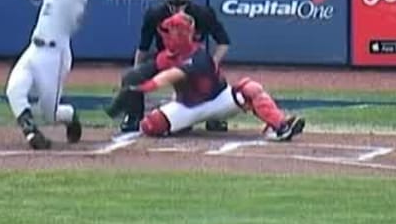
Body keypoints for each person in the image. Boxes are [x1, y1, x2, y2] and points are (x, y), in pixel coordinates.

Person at [123, 10, 306, 139]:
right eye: (170, 32)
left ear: (186, 34)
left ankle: (280, 126)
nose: (170, 36)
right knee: (151, 125)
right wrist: (133, 80)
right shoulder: (164, 57)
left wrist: (149, 84)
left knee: (250, 89)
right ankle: (180, 126)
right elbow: (143, 73)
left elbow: (176, 74)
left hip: (219, 100)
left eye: (175, 32)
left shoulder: (199, 55)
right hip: (188, 107)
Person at [0, 0, 106, 150]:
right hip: (35, 48)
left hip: (54, 56)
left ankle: (70, 116)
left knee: (49, 114)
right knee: (14, 89)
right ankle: (32, 133)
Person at [110, 0, 233, 134]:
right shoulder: (154, 14)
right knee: (131, 77)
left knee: (215, 82)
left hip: (193, 61)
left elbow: (223, 42)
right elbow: (143, 48)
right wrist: (136, 73)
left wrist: (211, 64)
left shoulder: (203, 14)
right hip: (166, 59)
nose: (177, 7)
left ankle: (215, 117)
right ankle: (133, 117)